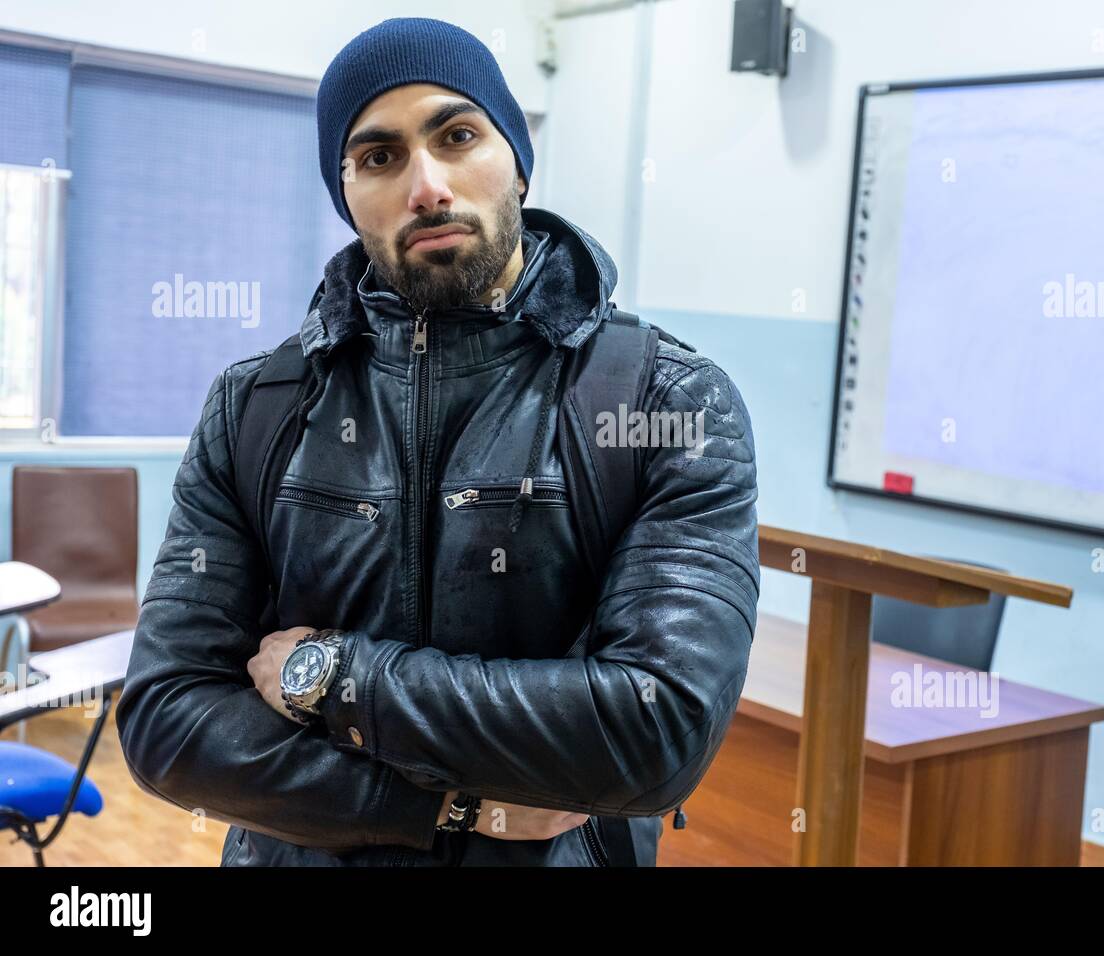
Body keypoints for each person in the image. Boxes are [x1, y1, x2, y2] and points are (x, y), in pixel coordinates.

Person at [115, 16, 760, 866]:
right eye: (378, 156)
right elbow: (168, 722)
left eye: (458, 135)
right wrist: (455, 810)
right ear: (345, 193)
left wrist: (339, 677)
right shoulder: (255, 408)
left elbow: (657, 730)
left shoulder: (663, 399)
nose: (427, 185)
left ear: (517, 163)